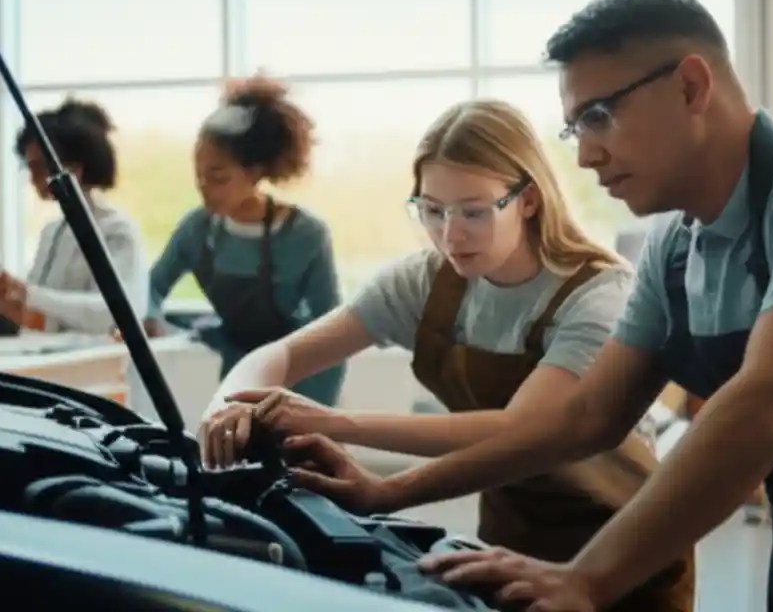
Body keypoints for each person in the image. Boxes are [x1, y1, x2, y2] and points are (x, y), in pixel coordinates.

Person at [281, 0, 773, 611]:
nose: (585, 154)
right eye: (575, 126)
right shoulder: (675, 249)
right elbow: (585, 416)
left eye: (598, 115)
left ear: (690, 85)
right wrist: (389, 494)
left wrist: (586, 579)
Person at [200, 98, 694, 611]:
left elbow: (518, 430)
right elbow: (280, 355)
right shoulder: (425, 282)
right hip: (509, 537)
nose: (450, 234)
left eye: (474, 212)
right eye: (432, 210)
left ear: (527, 199)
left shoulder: (599, 296)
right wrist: (228, 410)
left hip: (623, 554)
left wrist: (336, 423)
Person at [145, 75, 344, 406]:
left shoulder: (305, 235)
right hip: (236, 380)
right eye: (199, 177)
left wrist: (314, 414)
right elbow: (150, 287)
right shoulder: (197, 230)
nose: (204, 188)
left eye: (218, 177)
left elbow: (335, 334)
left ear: (254, 172)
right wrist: (149, 318)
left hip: (301, 382)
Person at [0, 98, 148, 334]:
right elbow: (46, 319)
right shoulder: (52, 232)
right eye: (29, 167)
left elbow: (113, 312)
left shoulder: (117, 230)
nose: (32, 178)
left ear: (74, 168)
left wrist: (27, 293)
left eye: (38, 167)